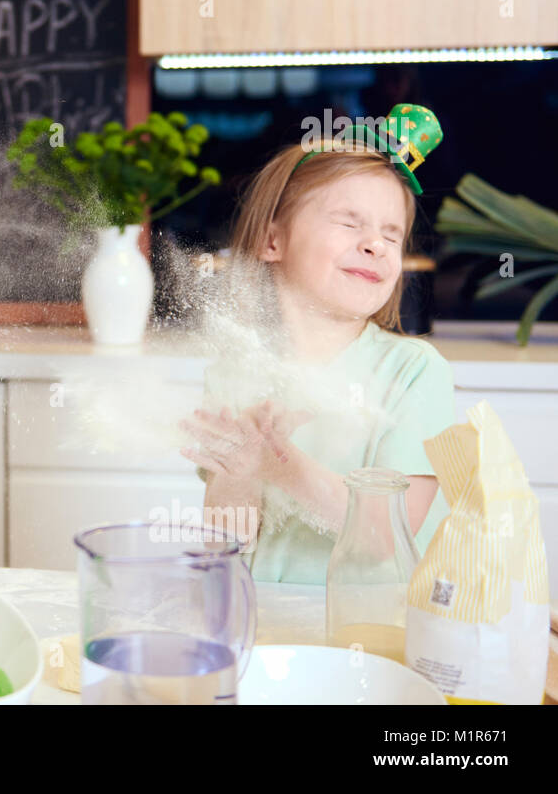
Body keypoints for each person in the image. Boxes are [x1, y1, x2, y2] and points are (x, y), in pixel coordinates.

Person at [179, 104, 453, 583]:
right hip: (267, 626)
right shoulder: (239, 370)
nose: (376, 244)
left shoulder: (414, 372)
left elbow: (385, 537)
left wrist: (279, 463)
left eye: (393, 234)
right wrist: (240, 470)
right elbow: (226, 539)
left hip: (371, 635)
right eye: (349, 222)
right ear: (272, 242)